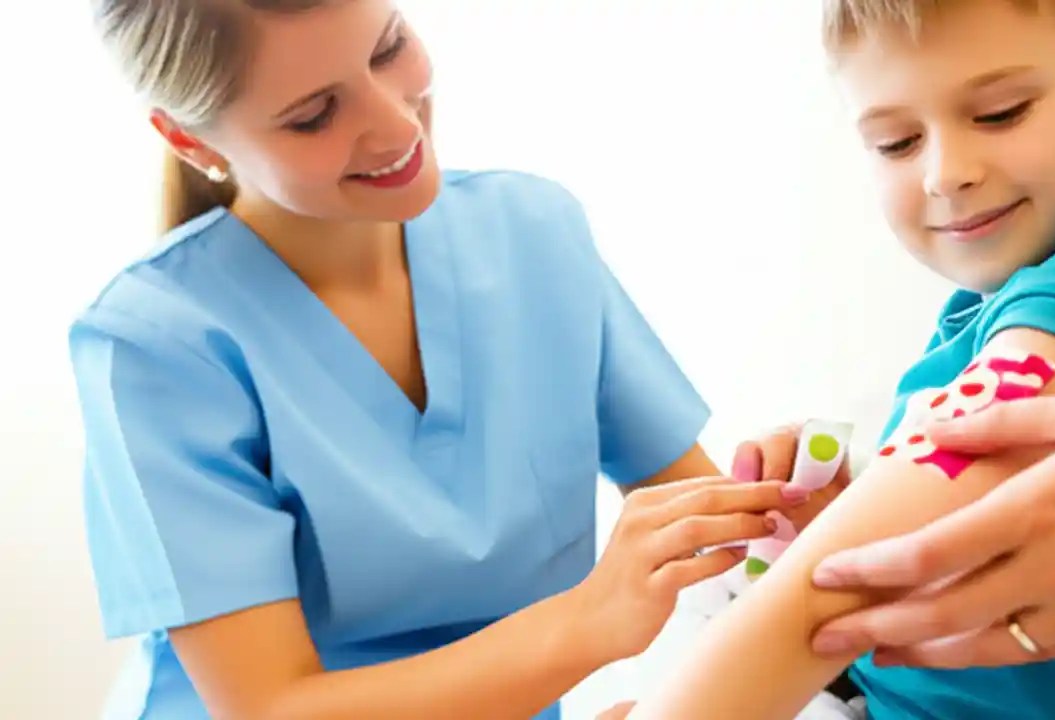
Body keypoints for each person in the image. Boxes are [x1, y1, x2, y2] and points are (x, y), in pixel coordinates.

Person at [70, 2, 828, 718]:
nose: (395, 122)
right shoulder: (154, 344)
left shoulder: (532, 232)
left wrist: (802, 516)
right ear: (190, 141)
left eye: (388, 47)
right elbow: (272, 706)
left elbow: (711, 532)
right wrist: (592, 621)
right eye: (313, 115)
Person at [623, 0, 1055, 717]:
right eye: (896, 143)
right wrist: (846, 518)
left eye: (1000, 113)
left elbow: (807, 605)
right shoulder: (1052, 288)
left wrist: (841, 553)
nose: (946, 173)